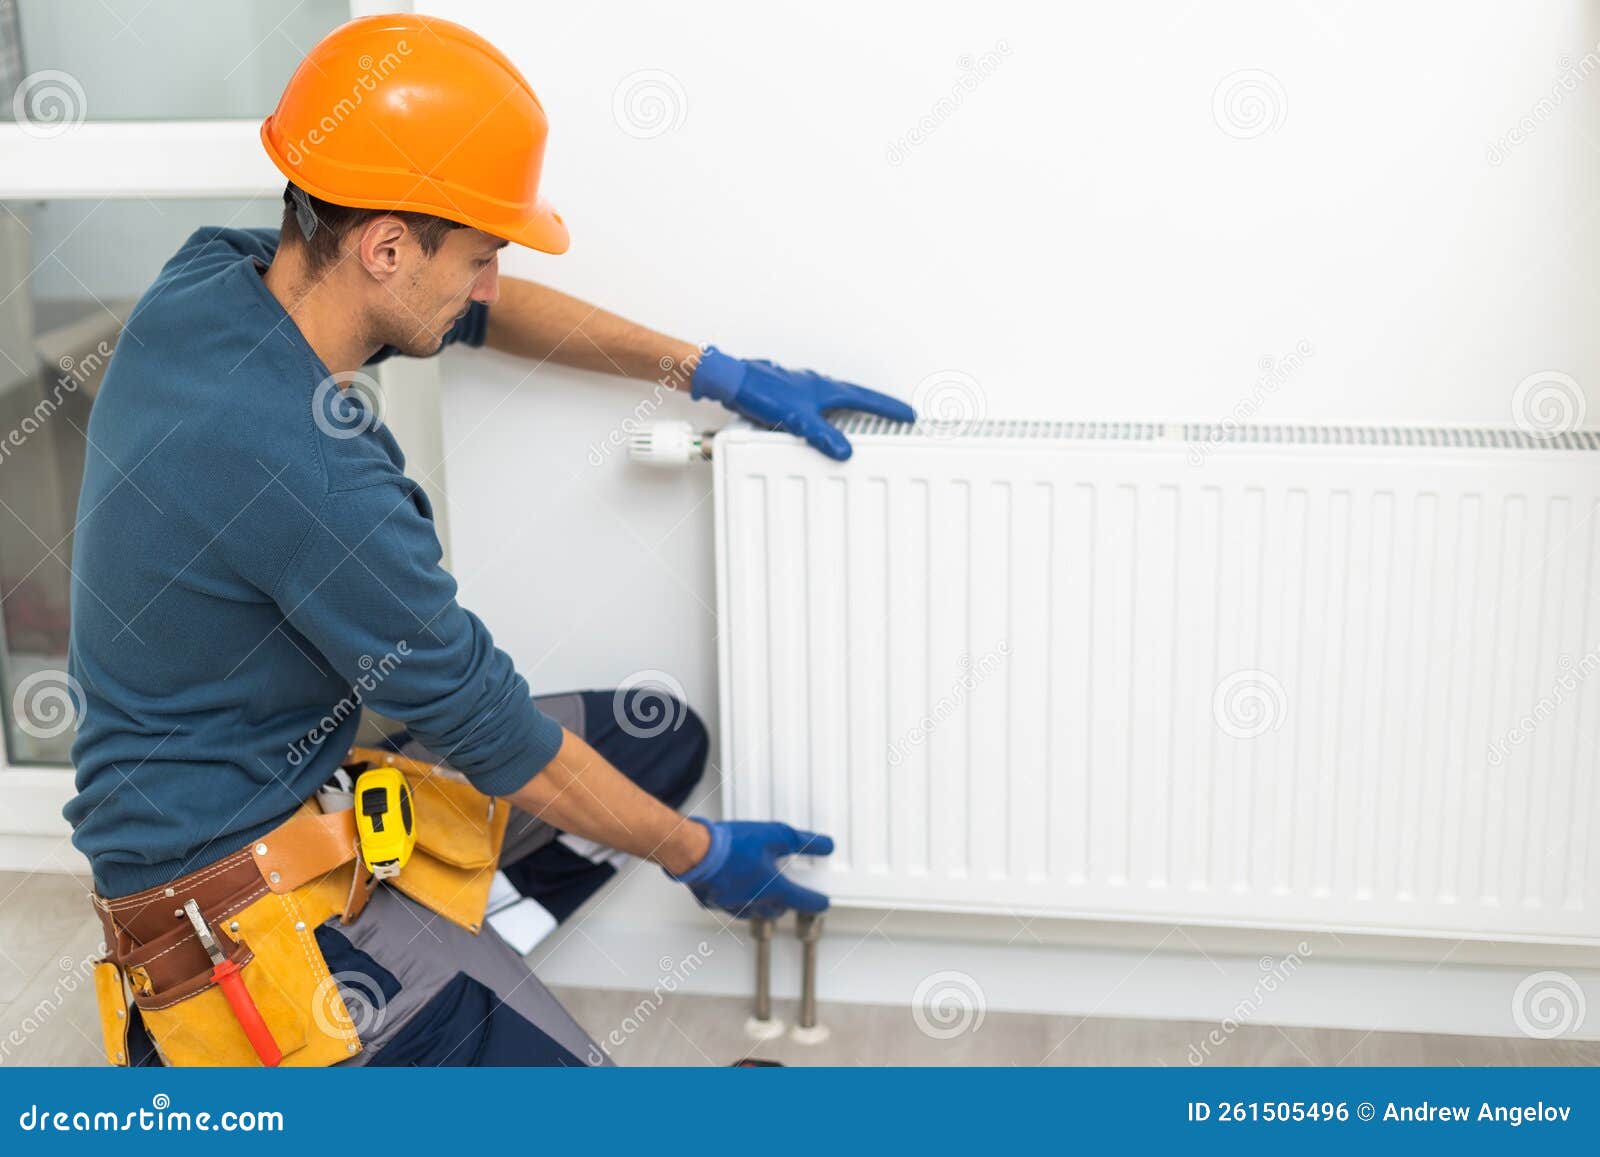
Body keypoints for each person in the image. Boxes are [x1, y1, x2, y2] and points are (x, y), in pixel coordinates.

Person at [66, 13, 915, 1068]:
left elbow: (487, 314)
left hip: (312, 796)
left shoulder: (217, 285)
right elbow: (495, 731)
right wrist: (702, 858)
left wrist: (716, 373)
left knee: (657, 740)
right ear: (385, 246)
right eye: (476, 254)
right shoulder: (304, 470)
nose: (483, 283)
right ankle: (415, 1016)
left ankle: (464, 965)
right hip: (235, 925)